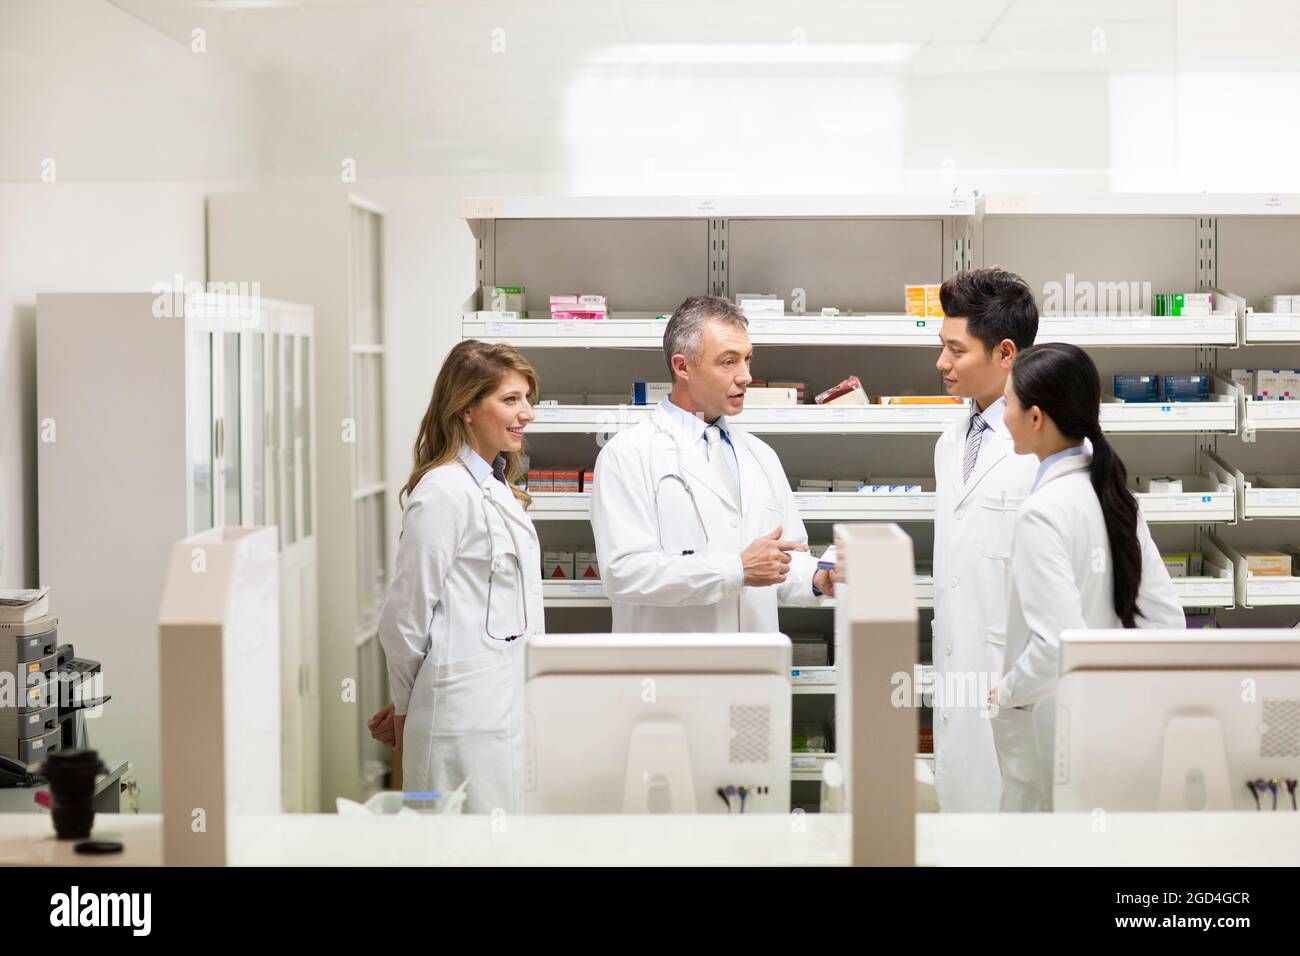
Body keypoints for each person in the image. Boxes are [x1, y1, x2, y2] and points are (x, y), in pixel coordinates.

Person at [991, 342, 1184, 811]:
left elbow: (1058, 642)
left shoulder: (1042, 512)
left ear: (1036, 418)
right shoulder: (1113, 494)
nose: (1004, 416)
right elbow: (1166, 623)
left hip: (1057, 727)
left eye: (1009, 403)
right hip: (1119, 725)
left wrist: (1008, 691)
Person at [589, 295, 832, 633]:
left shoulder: (760, 455)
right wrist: (737, 569)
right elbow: (624, 574)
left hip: (753, 671)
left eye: (747, 359)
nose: (746, 376)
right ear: (682, 366)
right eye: (728, 362)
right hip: (670, 675)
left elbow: (784, 560)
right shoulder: (626, 454)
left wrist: (818, 577)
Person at [374, 339, 544, 813]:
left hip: (499, 706)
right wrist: (411, 708)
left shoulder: (493, 484)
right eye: (510, 399)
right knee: (457, 852)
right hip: (460, 719)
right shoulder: (443, 492)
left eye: (528, 398)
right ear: (467, 408)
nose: (526, 413)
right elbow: (404, 620)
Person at [929, 269, 1041, 812]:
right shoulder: (952, 440)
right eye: (940, 347)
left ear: (1005, 353)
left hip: (1018, 684)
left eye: (956, 350)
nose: (941, 363)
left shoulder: (1050, 445)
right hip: (958, 671)